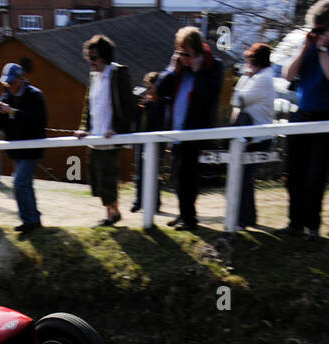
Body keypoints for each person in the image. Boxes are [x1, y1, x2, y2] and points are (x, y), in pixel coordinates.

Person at [281, 0, 329, 239]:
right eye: (313, 29)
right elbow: (288, 74)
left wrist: (323, 49)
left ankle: (312, 227)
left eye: (320, 29)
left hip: (328, 115)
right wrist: (306, 47)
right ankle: (294, 224)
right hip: (302, 112)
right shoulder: (308, 42)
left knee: (315, 175)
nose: (316, 33)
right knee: (294, 173)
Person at [156, 26, 222, 231]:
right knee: (176, 177)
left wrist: (197, 70)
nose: (182, 57)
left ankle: (190, 219)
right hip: (177, 130)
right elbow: (159, 90)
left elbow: (209, 96)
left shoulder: (212, 67)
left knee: (188, 178)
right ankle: (183, 213)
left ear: (197, 51)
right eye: (180, 52)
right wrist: (171, 71)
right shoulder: (178, 69)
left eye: (186, 53)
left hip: (194, 131)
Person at [76, 34, 135, 227]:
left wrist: (117, 129)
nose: (91, 62)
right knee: (96, 177)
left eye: (94, 58)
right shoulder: (94, 77)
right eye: (89, 58)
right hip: (95, 135)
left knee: (109, 176)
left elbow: (127, 106)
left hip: (110, 136)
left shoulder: (118, 74)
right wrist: (84, 128)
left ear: (104, 56)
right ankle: (112, 211)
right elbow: (88, 106)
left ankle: (112, 214)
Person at [0, 62, 47, 235]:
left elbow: (37, 121)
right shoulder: (5, 96)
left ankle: (29, 220)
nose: (9, 86)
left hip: (32, 148)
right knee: (25, 184)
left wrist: (12, 112)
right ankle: (32, 219)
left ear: (21, 79)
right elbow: (1, 125)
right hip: (16, 148)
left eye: (12, 82)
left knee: (19, 183)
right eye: (6, 83)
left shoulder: (35, 95)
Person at [231, 43, 277, 229]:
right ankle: (246, 217)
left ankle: (245, 219)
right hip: (253, 137)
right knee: (243, 178)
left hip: (258, 138)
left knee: (244, 179)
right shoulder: (260, 77)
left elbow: (237, 100)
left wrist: (244, 77)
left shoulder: (262, 79)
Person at [131, 71, 166, 214]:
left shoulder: (161, 102)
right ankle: (138, 201)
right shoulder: (145, 104)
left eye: (150, 88)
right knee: (139, 172)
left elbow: (159, 119)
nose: (148, 91)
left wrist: (149, 104)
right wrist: (139, 106)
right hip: (141, 140)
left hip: (155, 143)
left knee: (153, 173)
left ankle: (155, 203)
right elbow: (134, 119)